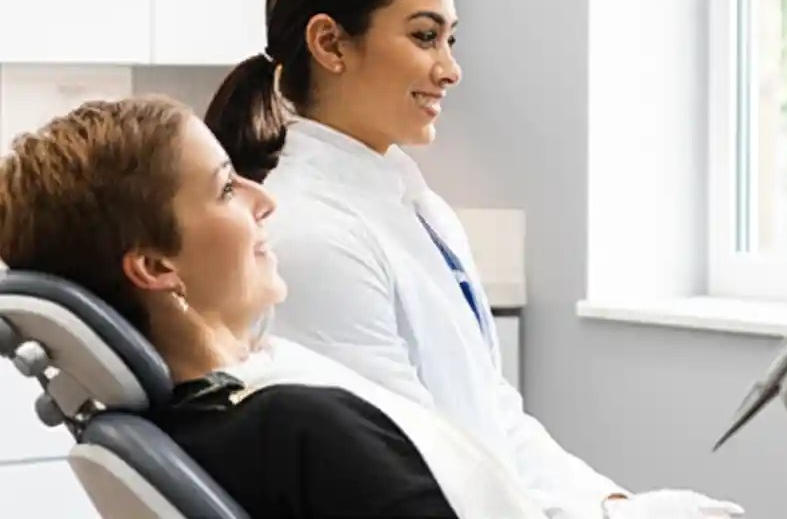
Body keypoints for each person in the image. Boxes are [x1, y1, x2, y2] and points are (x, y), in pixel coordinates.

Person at [203, 0, 743, 519]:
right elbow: (411, 474)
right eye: (425, 36)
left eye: (450, 41)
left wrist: (609, 502)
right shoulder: (310, 237)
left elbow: (493, 418)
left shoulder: (416, 207)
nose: (450, 69)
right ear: (330, 44)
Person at [0, 96, 544, 519]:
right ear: (156, 267)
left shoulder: (201, 427)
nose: (264, 199)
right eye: (224, 189)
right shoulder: (300, 428)